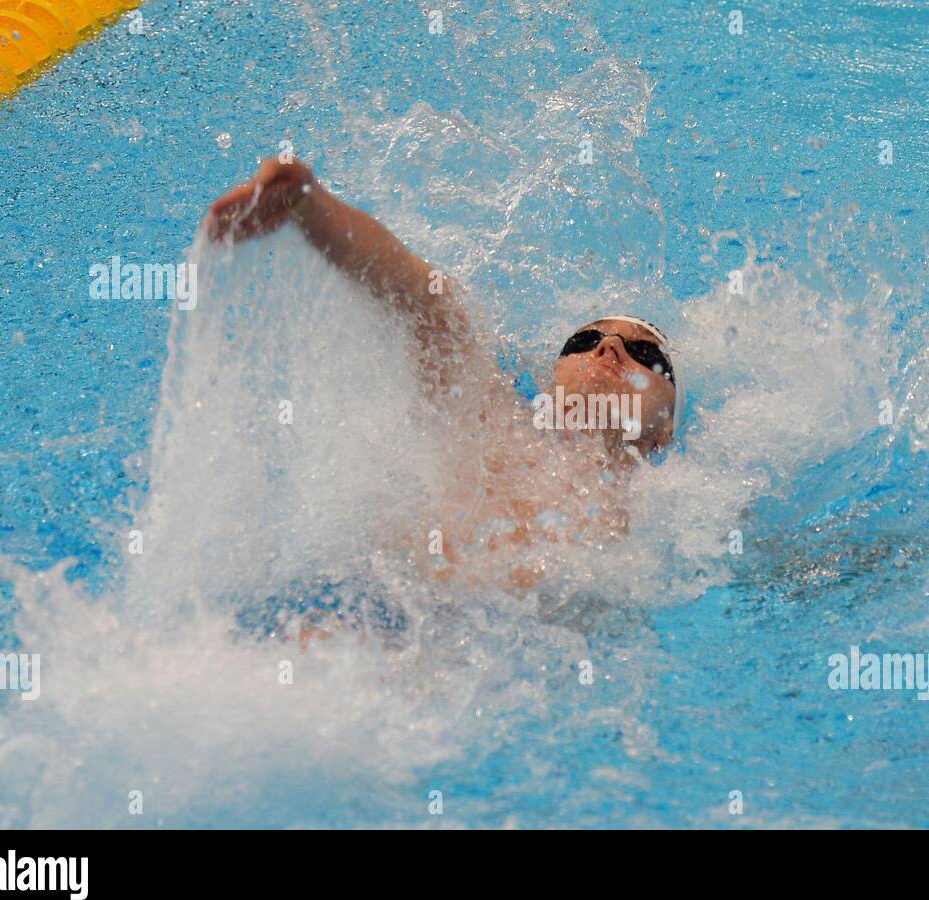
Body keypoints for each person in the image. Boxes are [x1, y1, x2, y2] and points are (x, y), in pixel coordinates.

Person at [205, 157, 682, 591]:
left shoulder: (673, 516)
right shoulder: (489, 421)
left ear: (664, 432)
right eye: (584, 341)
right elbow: (425, 303)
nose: (608, 347)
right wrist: (310, 208)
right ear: (549, 385)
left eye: (644, 353)